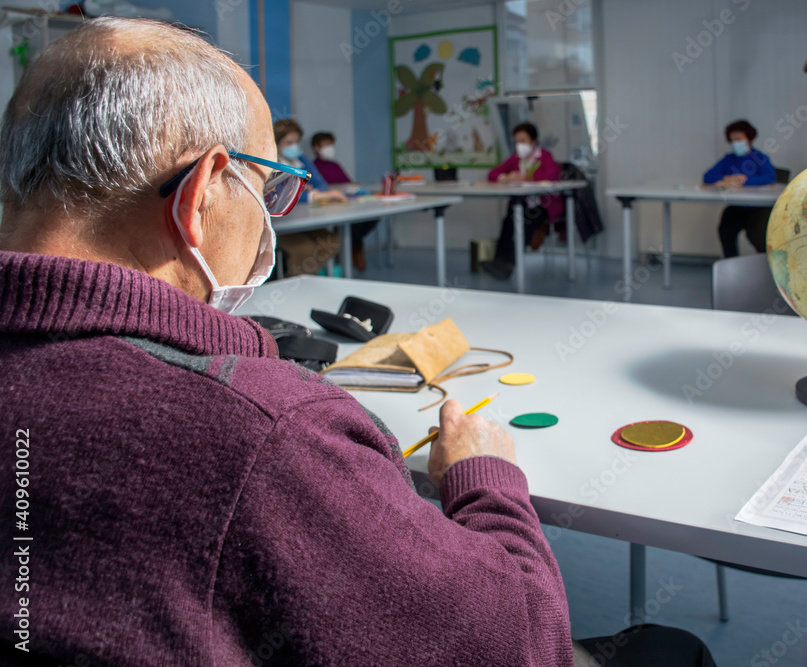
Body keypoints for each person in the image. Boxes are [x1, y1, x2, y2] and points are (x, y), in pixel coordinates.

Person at [0, 18, 716, 667]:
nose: (269, 222)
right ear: (203, 195)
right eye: (269, 190)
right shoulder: (266, 435)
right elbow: (520, 645)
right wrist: (485, 480)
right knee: (671, 651)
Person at [481, 122, 564, 280]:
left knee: (527, 222)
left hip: (543, 204)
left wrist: (528, 178)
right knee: (508, 222)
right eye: (517, 141)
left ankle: (509, 265)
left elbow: (552, 177)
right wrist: (506, 177)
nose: (520, 145)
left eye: (523, 140)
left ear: (533, 141)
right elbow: (492, 174)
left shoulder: (545, 156)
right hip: (521, 204)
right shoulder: (515, 159)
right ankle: (498, 262)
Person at [272, 119, 345, 276]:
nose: (294, 146)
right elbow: (277, 198)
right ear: (276, 143)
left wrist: (303, 192)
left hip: (304, 221)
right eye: (288, 142)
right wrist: (307, 193)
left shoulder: (302, 160)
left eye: (297, 141)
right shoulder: (272, 165)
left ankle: (306, 278)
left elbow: (321, 185)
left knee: (331, 241)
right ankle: (296, 285)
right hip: (281, 224)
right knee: (303, 248)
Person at [703, 120, 777, 257]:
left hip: (758, 209)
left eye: (739, 139)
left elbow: (770, 177)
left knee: (757, 235)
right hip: (738, 207)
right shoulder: (729, 159)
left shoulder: (759, 157)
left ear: (748, 138)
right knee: (726, 228)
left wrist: (745, 180)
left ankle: (768, 265)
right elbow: (707, 177)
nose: (736, 143)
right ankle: (731, 263)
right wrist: (725, 179)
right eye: (733, 140)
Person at [311, 130, 378, 272]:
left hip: (346, 201)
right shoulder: (313, 166)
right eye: (326, 145)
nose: (330, 148)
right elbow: (318, 188)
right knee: (353, 225)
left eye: (331, 144)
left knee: (372, 216)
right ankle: (356, 251)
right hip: (329, 206)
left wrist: (354, 186)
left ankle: (353, 247)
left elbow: (348, 183)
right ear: (316, 147)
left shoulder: (335, 165)